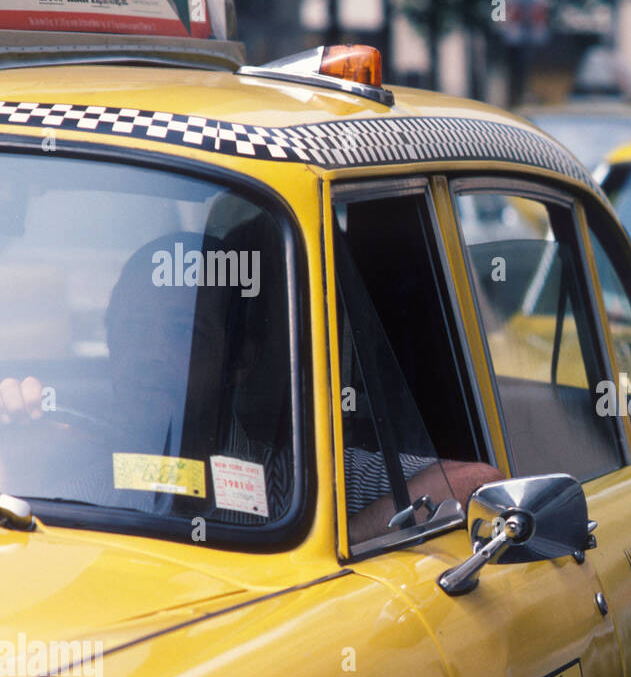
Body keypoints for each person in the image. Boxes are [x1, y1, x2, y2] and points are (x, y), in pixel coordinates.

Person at [1, 227, 499, 543]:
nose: (147, 354)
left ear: (239, 360)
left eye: (183, 333)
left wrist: (345, 541)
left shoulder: (297, 477)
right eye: (129, 329)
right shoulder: (80, 475)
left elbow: (475, 480)